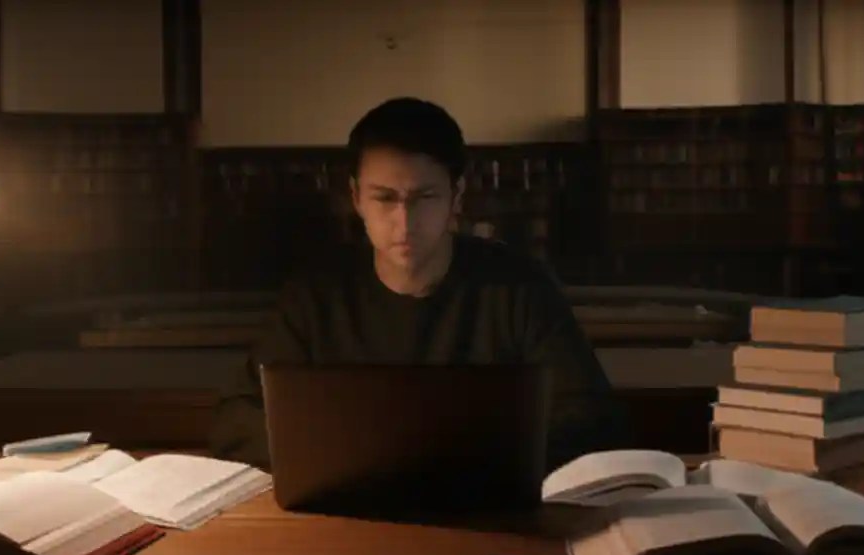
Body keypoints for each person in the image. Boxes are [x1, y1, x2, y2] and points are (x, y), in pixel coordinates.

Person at [207, 97, 627, 474]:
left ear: (456, 197)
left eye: (424, 197)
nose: (404, 223)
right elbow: (236, 420)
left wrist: (460, 457)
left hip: (485, 510)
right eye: (385, 198)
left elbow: (592, 417)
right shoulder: (315, 296)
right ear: (355, 198)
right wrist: (349, 454)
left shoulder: (520, 286)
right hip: (345, 512)